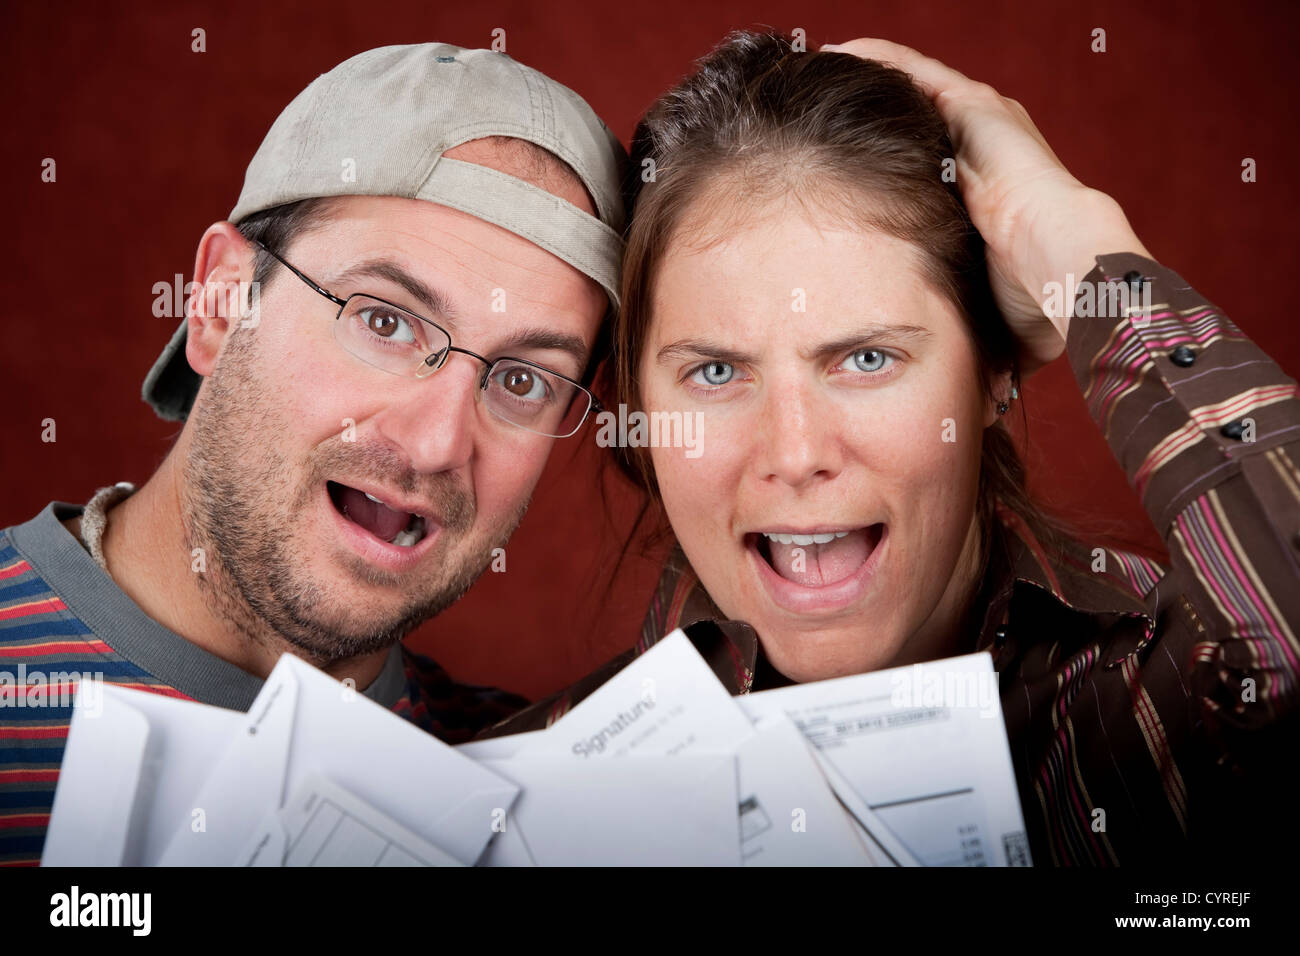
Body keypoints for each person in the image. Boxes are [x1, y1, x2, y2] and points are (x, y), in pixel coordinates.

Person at [482, 31, 1300, 865]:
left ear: (992, 372)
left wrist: (1069, 239)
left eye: (867, 359)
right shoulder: (519, 809)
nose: (795, 454)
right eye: (717, 371)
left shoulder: (1187, 692)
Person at [0, 42, 627, 866]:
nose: (437, 444)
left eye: (521, 379)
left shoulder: (538, 795)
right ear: (221, 301)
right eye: (385, 321)